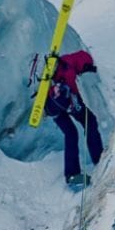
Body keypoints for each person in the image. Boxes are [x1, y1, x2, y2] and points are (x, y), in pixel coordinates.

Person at [45, 50, 103, 187]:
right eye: (85, 68)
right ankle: (100, 159)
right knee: (91, 122)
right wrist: (77, 106)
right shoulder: (69, 66)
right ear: (82, 62)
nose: (82, 72)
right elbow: (72, 92)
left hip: (51, 107)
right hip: (65, 103)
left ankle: (72, 174)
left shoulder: (62, 63)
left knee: (71, 134)